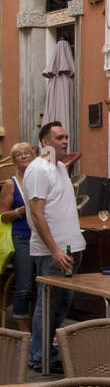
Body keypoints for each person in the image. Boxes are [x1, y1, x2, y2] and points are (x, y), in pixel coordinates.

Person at [24, 123, 86, 372]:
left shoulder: (59, 167)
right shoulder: (38, 169)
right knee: (47, 304)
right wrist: (55, 251)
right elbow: (38, 215)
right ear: (45, 143)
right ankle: (39, 357)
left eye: (66, 137)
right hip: (54, 252)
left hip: (70, 247)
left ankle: (47, 351)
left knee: (61, 304)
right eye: (59, 138)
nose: (65, 141)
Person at [0, 143, 38, 334]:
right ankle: (23, 327)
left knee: (43, 283)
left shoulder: (40, 180)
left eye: (27, 153)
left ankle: (42, 325)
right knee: (24, 284)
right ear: (14, 161)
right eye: (18, 155)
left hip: (40, 237)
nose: (24, 157)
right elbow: (2, 215)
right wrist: (19, 211)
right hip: (20, 236)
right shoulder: (10, 184)